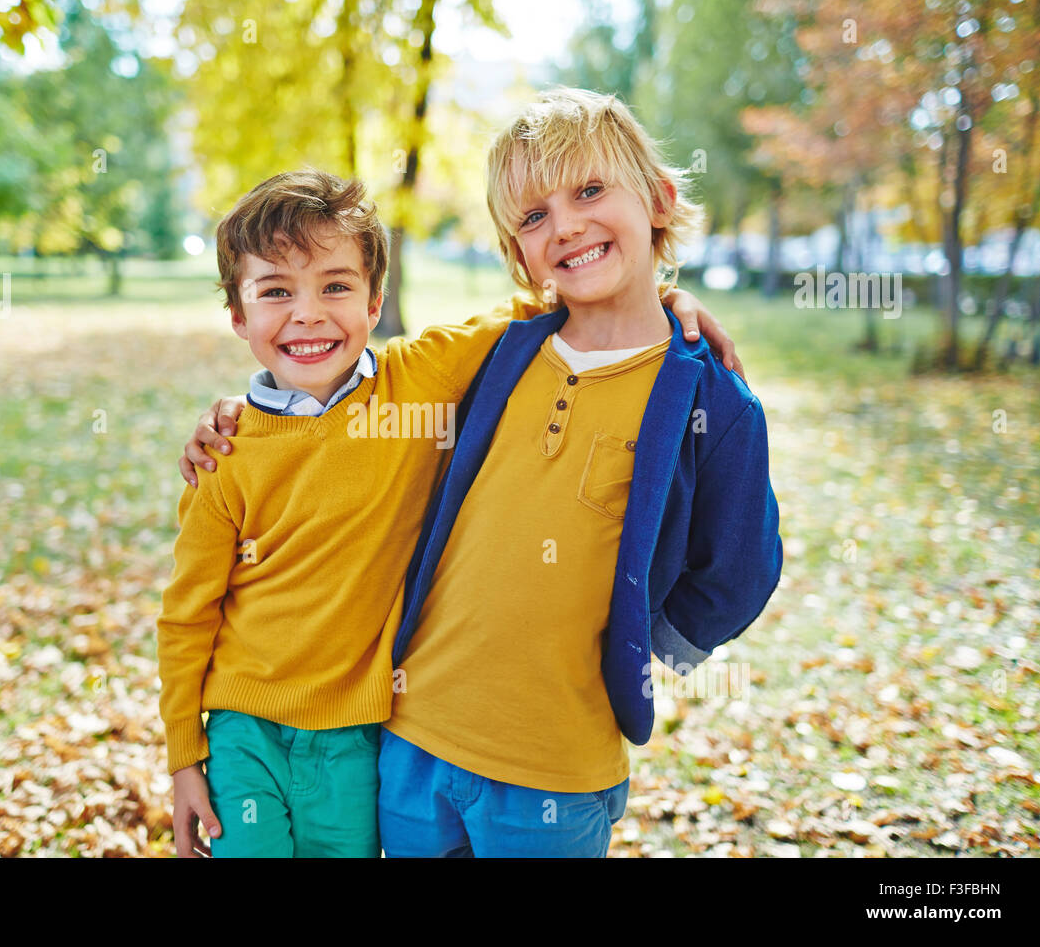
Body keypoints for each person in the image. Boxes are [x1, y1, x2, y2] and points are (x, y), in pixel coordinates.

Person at [167, 161, 741, 858]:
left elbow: (548, 301)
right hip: (243, 728)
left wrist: (669, 299)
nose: (309, 314)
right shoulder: (225, 452)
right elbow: (187, 613)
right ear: (238, 315)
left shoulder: (420, 379)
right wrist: (182, 756)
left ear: (376, 302)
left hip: (361, 728)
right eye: (276, 292)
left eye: (337, 287)